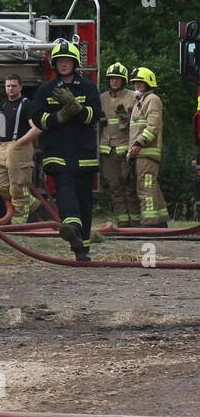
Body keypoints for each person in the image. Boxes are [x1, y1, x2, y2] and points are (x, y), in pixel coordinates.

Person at [16, 39, 102, 261]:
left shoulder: (89, 88)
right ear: (55, 64)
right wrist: (60, 116)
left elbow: (93, 117)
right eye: (60, 61)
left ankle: (82, 247)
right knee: (65, 190)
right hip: (58, 152)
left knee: (84, 199)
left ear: (75, 63)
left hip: (83, 153)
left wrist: (76, 107)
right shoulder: (46, 90)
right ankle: (71, 227)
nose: (63, 64)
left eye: (67, 60)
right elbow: (38, 119)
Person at [0, 74, 38, 223]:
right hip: (3, 147)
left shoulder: (27, 104)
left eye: (14, 86)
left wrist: (19, 142)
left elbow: (37, 128)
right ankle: (30, 201)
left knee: (17, 185)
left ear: (21, 87)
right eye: (8, 86)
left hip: (20, 147)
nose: (10, 89)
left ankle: (19, 222)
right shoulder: (4, 104)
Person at [99, 61, 140, 227]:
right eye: (111, 78)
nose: (114, 81)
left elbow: (139, 121)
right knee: (114, 186)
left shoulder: (133, 96)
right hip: (107, 150)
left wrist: (127, 119)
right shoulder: (101, 98)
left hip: (126, 150)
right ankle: (123, 222)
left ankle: (135, 222)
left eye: (117, 78)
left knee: (129, 186)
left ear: (123, 80)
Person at [127, 67, 168, 227]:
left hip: (146, 154)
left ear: (148, 83)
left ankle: (149, 224)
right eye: (135, 82)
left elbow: (153, 127)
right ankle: (161, 222)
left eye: (140, 82)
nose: (136, 85)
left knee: (145, 189)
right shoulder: (141, 101)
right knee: (152, 188)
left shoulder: (152, 99)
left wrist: (138, 143)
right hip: (141, 154)